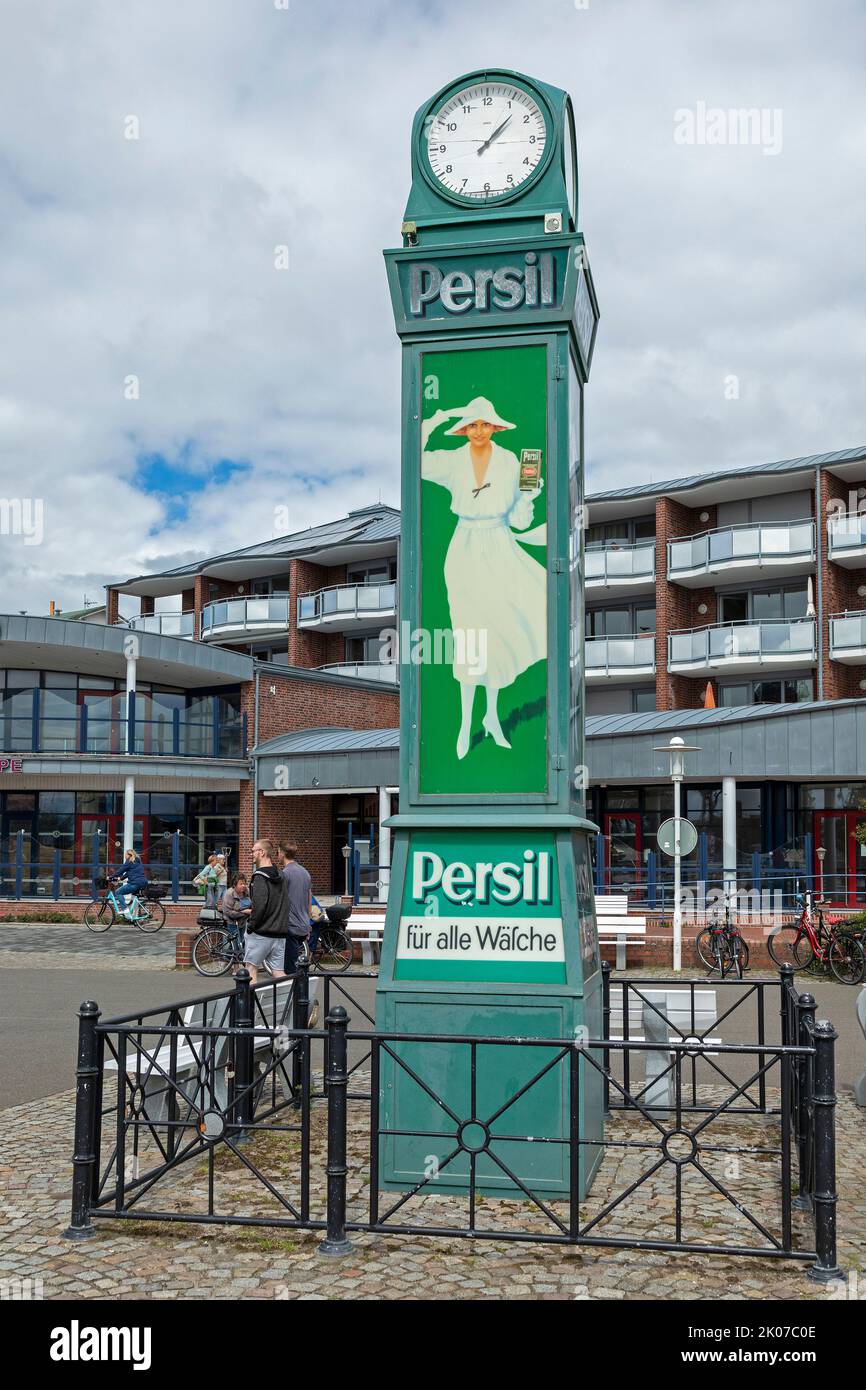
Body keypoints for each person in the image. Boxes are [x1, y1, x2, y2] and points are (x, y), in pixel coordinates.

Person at [421, 396, 546, 759]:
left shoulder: (512, 462)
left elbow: (522, 520)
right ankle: (464, 725)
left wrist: (529, 495)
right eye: (472, 425)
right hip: (465, 547)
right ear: (463, 430)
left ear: (495, 427)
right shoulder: (452, 461)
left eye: (484, 424)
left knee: (498, 631)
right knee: (469, 635)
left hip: (500, 543)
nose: (478, 430)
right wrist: (436, 418)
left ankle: (491, 716)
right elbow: (415, 460)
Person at [242, 840, 289, 985]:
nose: (251, 854)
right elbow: (286, 903)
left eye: (253, 851)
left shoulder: (260, 877)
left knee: (250, 969)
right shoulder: (281, 875)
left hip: (261, 932)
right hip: (279, 933)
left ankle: (250, 1006)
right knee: (278, 972)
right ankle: (294, 1001)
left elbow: (259, 906)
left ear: (262, 852)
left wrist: (251, 926)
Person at [276, 841, 312, 974]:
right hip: (303, 925)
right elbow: (309, 899)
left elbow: (280, 900)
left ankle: (296, 994)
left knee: (290, 969)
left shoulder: (285, 873)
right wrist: (308, 923)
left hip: (290, 926)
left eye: (278, 852)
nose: (277, 855)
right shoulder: (305, 872)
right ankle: (301, 992)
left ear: (283, 853)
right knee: (299, 966)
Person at [113, 849, 148, 920]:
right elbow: (129, 872)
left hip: (135, 883)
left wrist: (111, 877)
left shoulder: (129, 861)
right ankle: (134, 917)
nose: (125, 856)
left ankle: (125, 909)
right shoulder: (137, 861)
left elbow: (121, 870)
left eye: (125, 854)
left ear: (129, 855)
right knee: (133, 899)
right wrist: (120, 878)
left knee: (118, 892)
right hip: (143, 882)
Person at [222, 873, 251, 950]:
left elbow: (252, 903)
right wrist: (244, 912)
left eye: (244, 883)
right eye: (241, 884)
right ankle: (228, 958)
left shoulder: (247, 892)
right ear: (235, 885)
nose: (243, 886)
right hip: (232, 922)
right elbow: (228, 912)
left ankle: (236, 958)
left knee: (241, 941)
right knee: (233, 943)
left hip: (243, 921)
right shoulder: (229, 893)